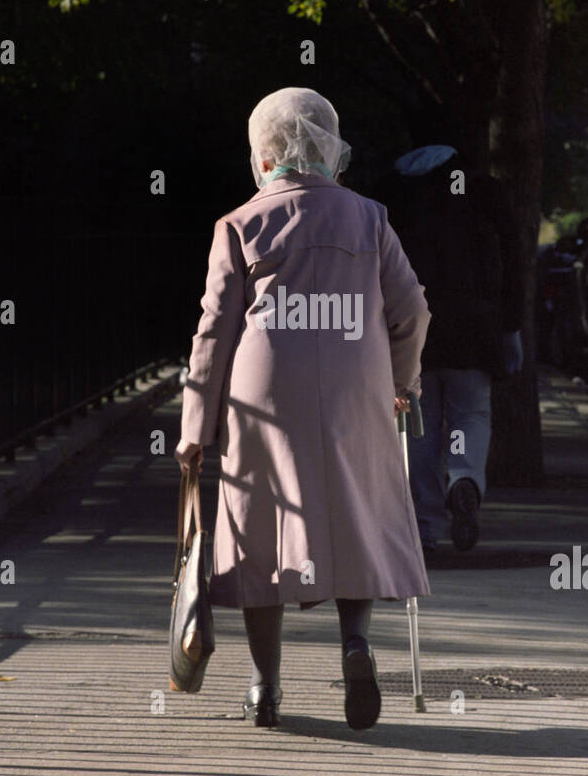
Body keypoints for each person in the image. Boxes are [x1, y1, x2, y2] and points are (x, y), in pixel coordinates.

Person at [175, 88, 432, 730]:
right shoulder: (371, 219)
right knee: (356, 511)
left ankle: (264, 689)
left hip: (265, 395)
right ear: (330, 147)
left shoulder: (237, 225)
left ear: (263, 156)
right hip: (356, 384)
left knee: (261, 529)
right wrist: (403, 382)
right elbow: (412, 311)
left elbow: (214, 333)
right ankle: (355, 643)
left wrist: (195, 427)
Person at [374, 144, 525, 556]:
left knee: (419, 427)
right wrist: (511, 326)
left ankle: (425, 525)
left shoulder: (390, 195)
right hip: (474, 330)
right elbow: (512, 261)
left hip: (410, 331)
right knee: (470, 415)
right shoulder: (481, 190)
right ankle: (464, 478)